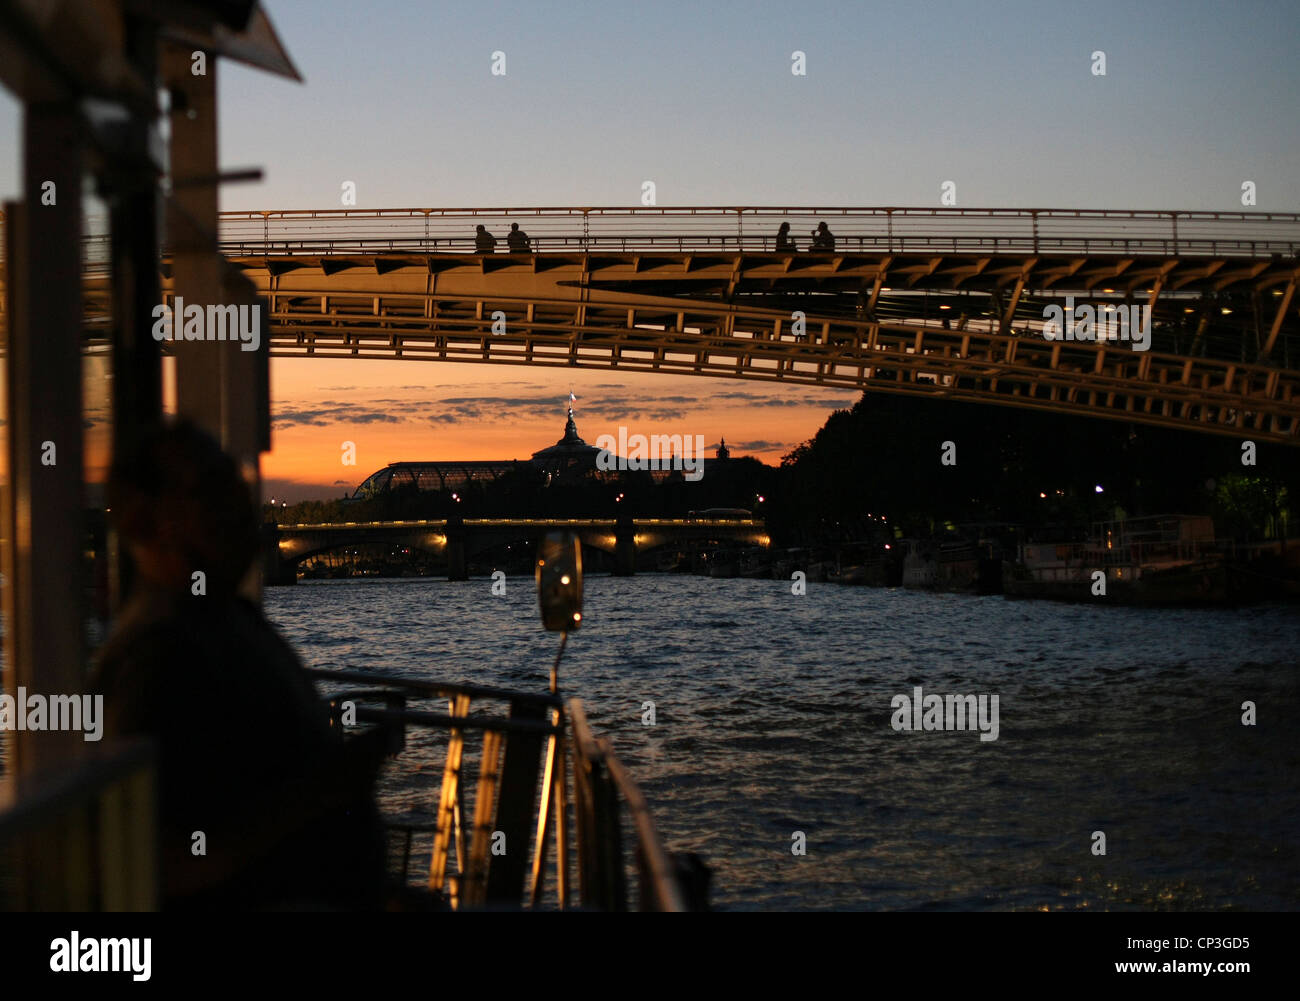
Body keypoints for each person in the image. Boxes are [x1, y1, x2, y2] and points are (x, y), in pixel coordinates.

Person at [91, 420, 387, 910]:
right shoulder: (161, 656)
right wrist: (327, 790)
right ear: (145, 522)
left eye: (237, 485)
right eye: (212, 490)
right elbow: (158, 857)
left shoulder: (209, 623)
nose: (239, 505)